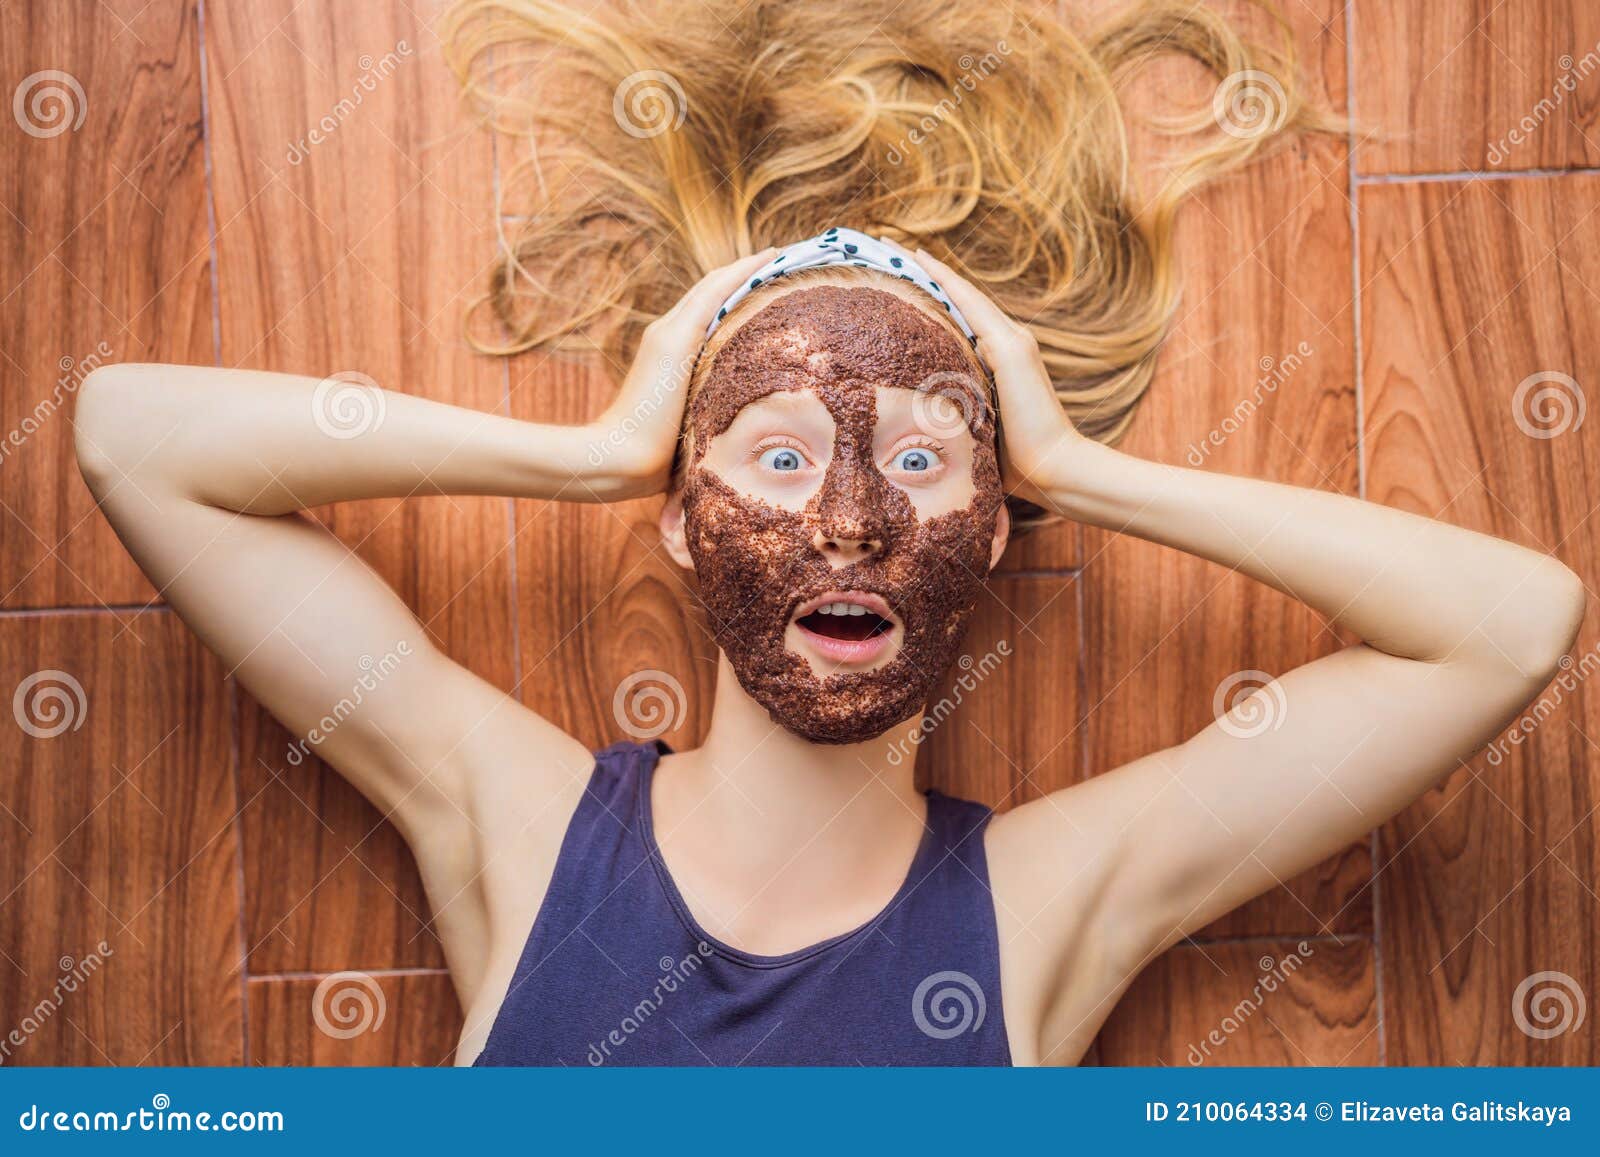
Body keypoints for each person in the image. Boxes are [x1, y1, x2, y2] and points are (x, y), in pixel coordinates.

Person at [72, 1, 1585, 1066]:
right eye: (779, 454)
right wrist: (595, 453)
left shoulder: (1047, 907)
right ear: (682, 515)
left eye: (923, 458)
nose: (853, 519)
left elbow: (1511, 626)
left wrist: (1070, 464)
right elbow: (131, 438)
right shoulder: (522, 835)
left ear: (993, 530)